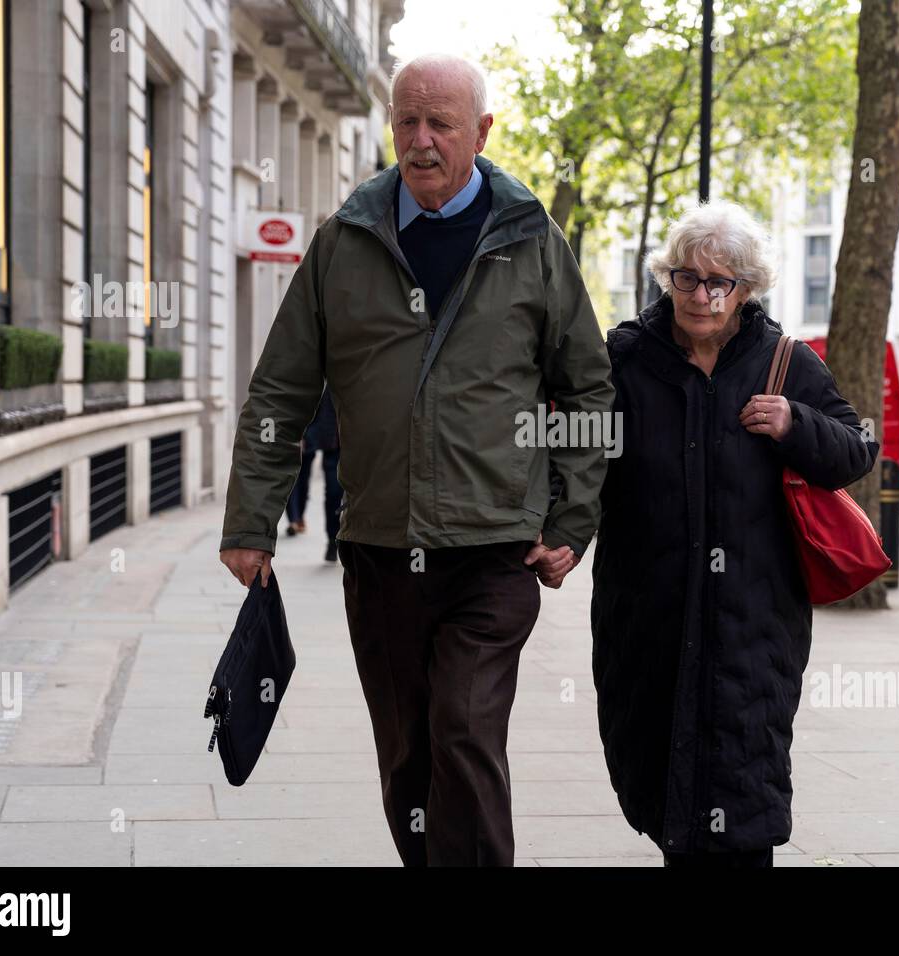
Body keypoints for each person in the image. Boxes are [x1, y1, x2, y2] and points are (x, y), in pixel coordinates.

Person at [218, 53, 614, 866]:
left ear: (483, 131)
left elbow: (589, 392)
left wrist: (572, 517)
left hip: (495, 547)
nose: (421, 141)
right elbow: (279, 393)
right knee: (407, 759)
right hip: (382, 548)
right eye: (407, 121)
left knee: (463, 730)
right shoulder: (344, 242)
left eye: (442, 124)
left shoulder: (534, 242)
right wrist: (252, 519)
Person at [590, 200, 879, 867]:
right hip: (648, 615)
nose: (701, 293)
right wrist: (557, 532)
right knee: (664, 785)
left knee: (741, 794)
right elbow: (582, 463)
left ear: (747, 290)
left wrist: (795, 423)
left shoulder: (785, 361)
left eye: (720, 281)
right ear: (669, 279)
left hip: (752, 621)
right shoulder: (628, 358)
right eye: (687, 277)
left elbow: (859, 449)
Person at [283, 386, 341, 562]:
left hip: (344, 438)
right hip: (316, 432)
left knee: (336, 492)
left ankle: (335, 540)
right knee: (304, 480)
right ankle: (298, 519)